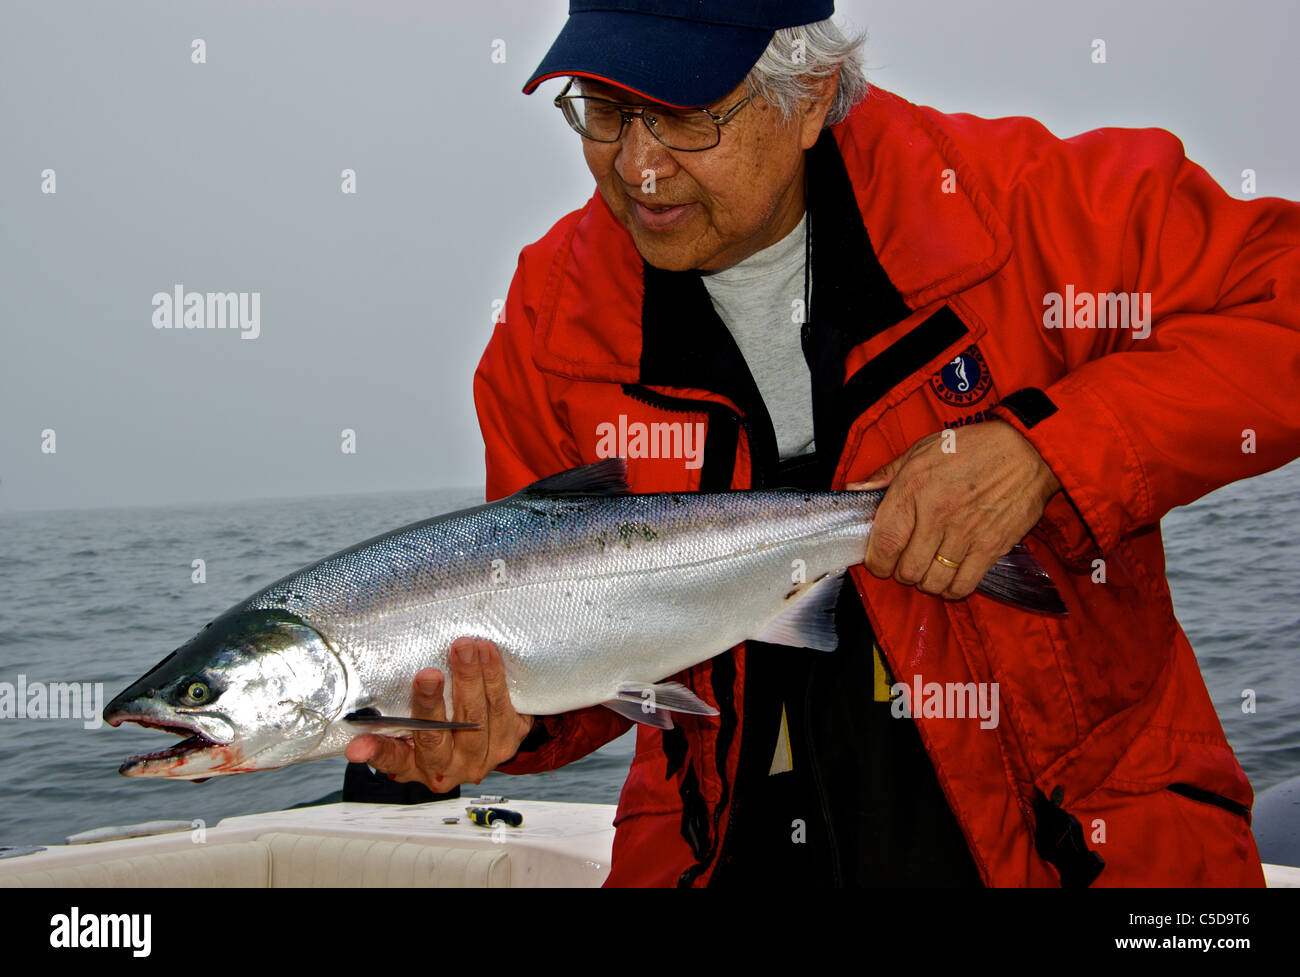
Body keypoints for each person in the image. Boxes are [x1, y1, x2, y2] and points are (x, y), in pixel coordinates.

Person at [346, 0, 1300, 886]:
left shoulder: (1028, 207)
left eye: (684, 114)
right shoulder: (549, 329)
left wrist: (1051, 448)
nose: (637, 165)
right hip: (716, 853)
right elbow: (587, 672)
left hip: (1080, 853)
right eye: (603, 107)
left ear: (806, 98)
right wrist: (495, 729)